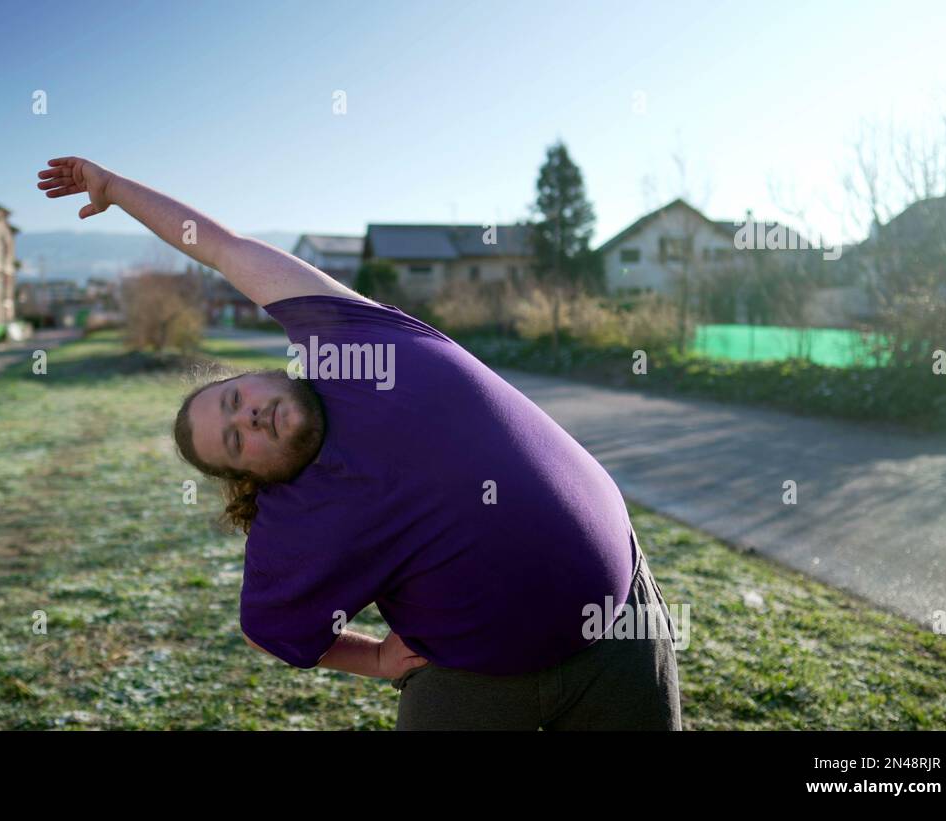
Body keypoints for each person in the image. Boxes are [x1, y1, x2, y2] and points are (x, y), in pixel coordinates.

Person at [38, 156, 682, 730]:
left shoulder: (346, 340)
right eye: (233, 442)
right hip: (474, 684)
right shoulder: (296, 523)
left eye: (235, 400)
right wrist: (375, 658)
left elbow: (223, 249)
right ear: (250, 478)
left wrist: (116, 188)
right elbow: (267, 632)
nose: (250, 420)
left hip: (621, 632)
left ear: (262, 374)